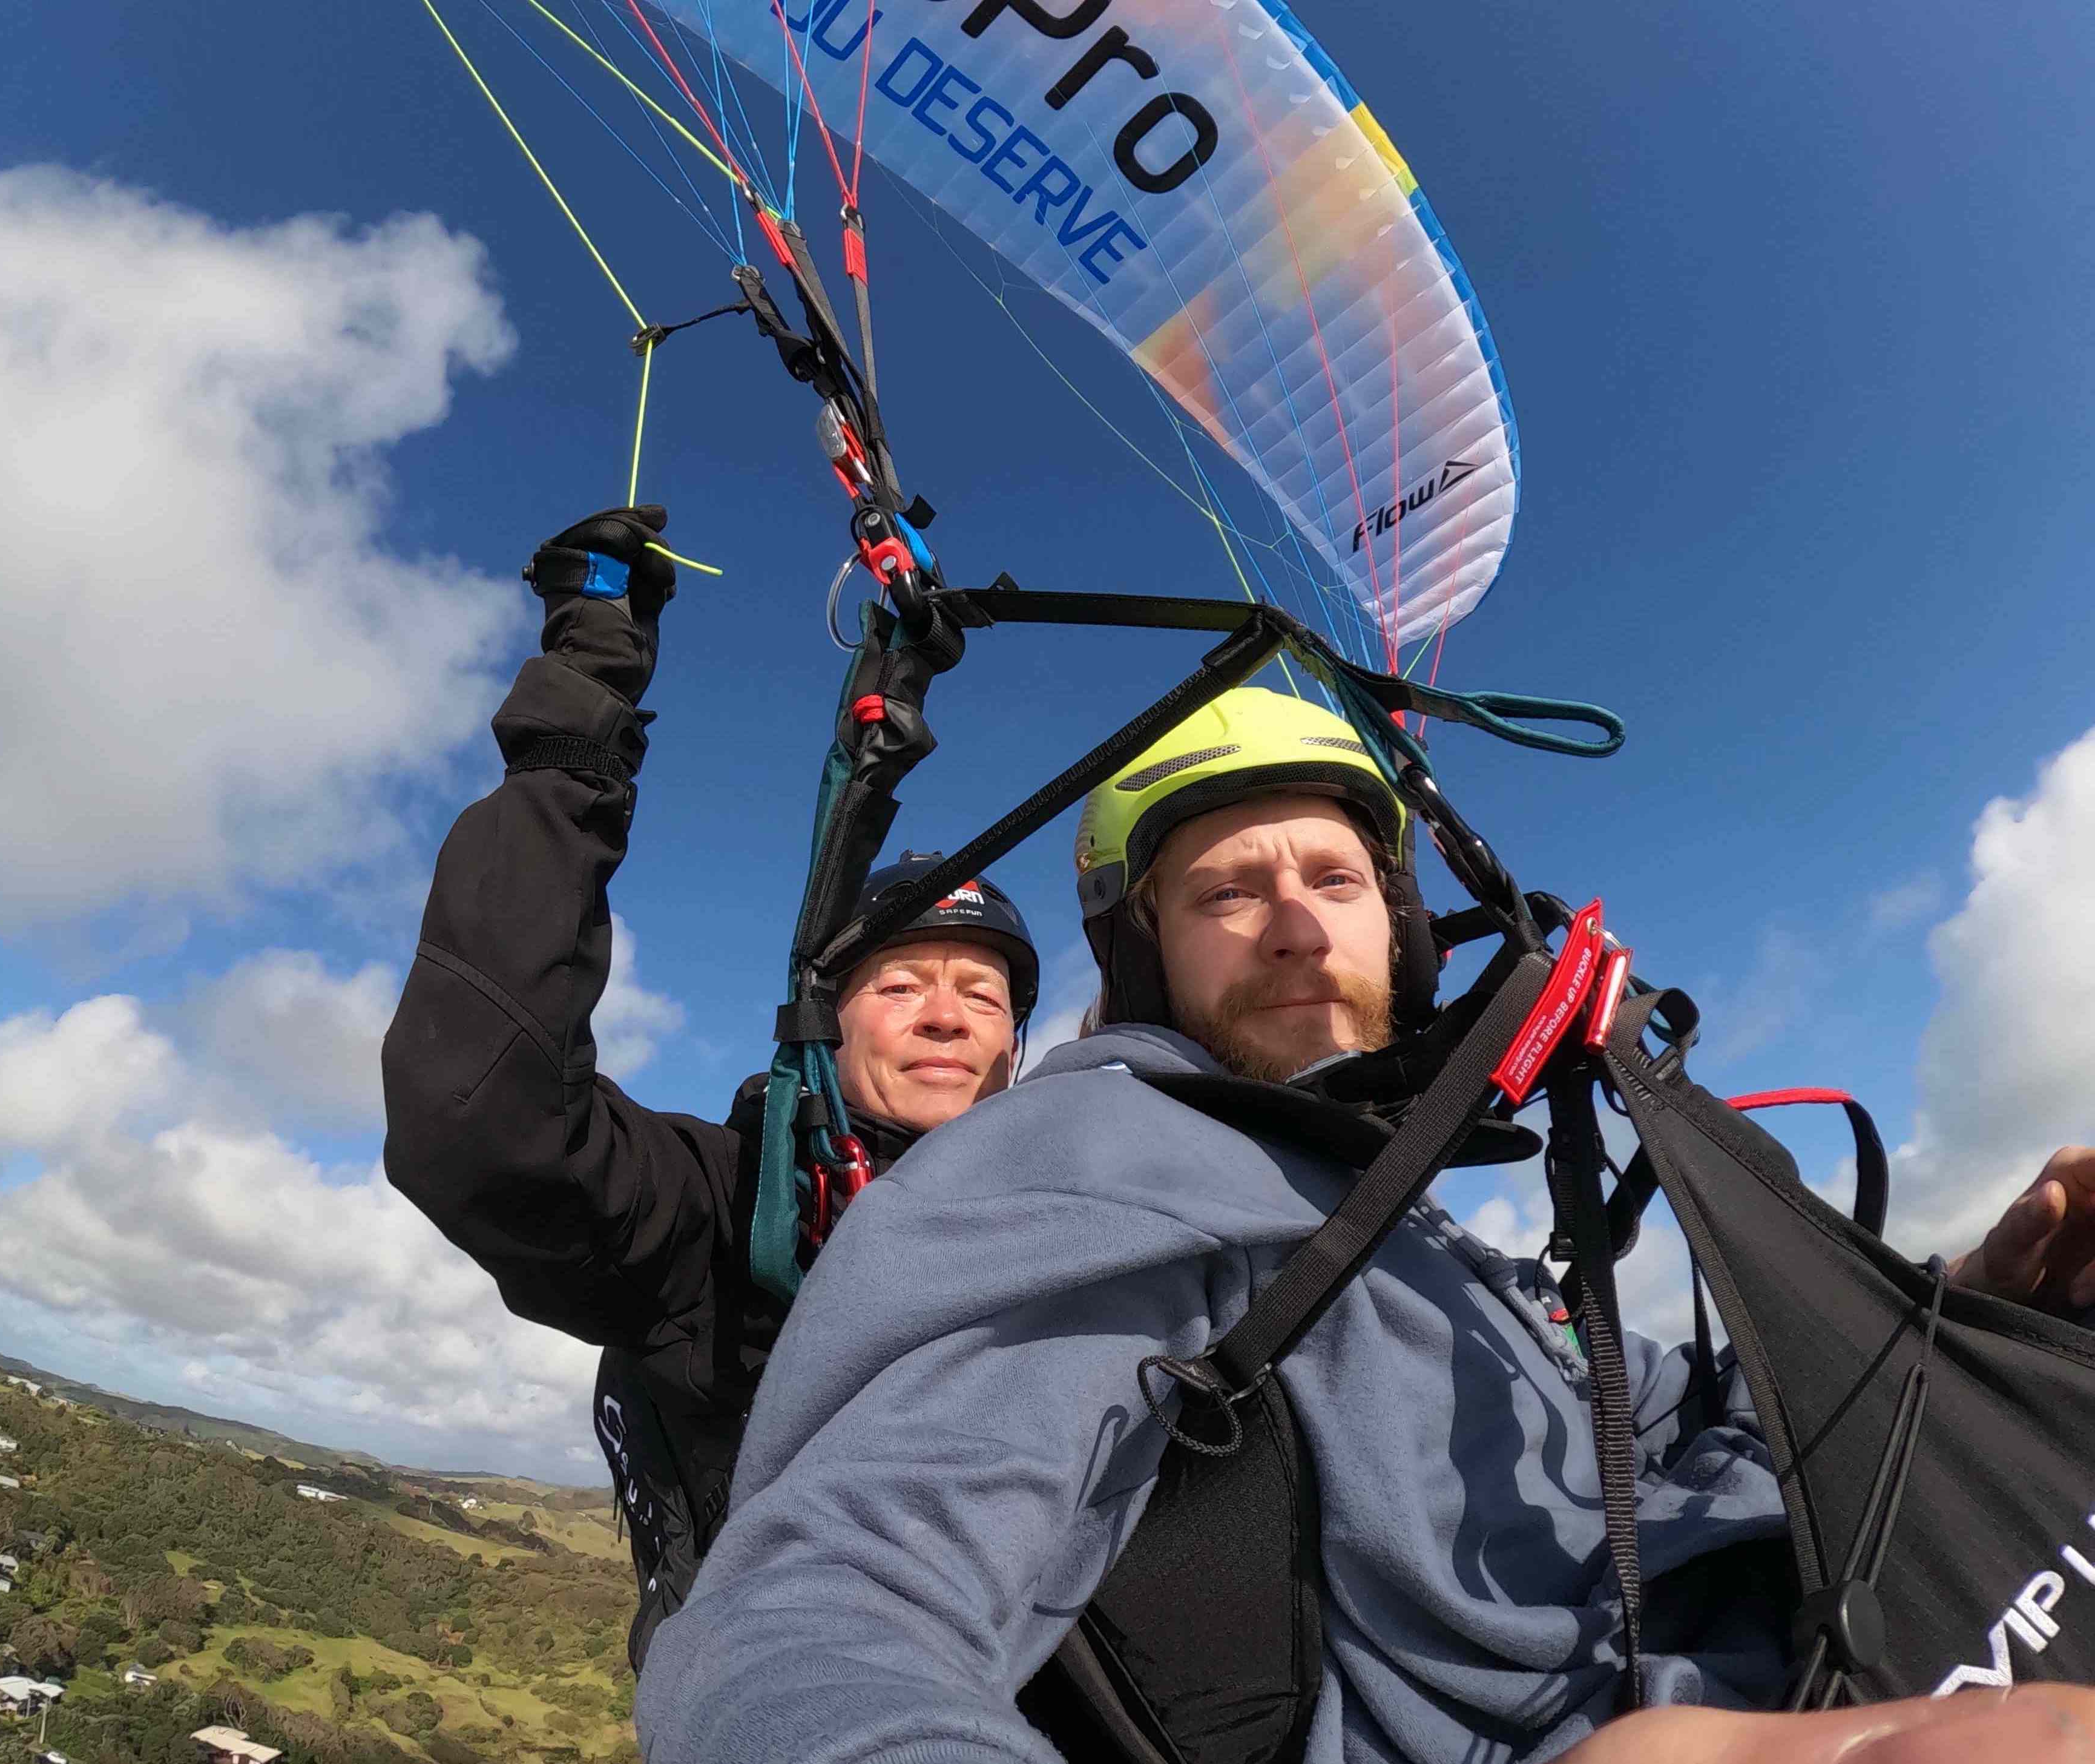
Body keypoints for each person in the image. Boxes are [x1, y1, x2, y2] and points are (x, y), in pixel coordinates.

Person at [633, 685, 2095, 1764]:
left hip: (1837, 1577)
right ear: (1144, 951)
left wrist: (1969, 1305)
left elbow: (1666, 1415)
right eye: (1226, 890)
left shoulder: (1378, 1193)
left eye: (1333, 877)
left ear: (1395, 923)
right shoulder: (1088, 1157)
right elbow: (809, 1626)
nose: (1293, 922)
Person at [380, 505, 1040, 1667]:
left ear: (1020, 1048)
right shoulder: (720, 1211)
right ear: (827, 1025)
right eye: (900, 985)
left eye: (982, 996)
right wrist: (577, 721)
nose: (946, 1014)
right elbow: (481, 1118)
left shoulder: (1074, 1231)